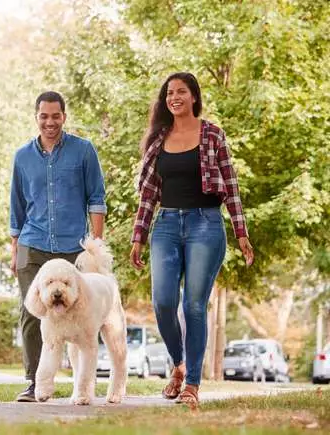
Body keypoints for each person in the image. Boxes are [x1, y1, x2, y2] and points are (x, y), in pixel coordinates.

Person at [130, 72, 254, 407]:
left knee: (194, 305)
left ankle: (193, 386)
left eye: (181, 91)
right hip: (167, 225)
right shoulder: (159, 138)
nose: (174, 97)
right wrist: (138, 236)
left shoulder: (213, 133)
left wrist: (241, 232)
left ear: (194, 97)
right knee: (163, 302)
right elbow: (148, 194)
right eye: (169, 93)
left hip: (205, 224)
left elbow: (230, 185)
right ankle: (179, 365)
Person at [9, 91, 107, 402]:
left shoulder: (83, 151)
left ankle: (83, 383)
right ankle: (34, 382)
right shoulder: (22, 157)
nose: (49, 122)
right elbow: (17, 207)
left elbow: (97, 199)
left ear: (64, 116)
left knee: (81, 311)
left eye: (55, 116)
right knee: (31, 312)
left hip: (72, 248)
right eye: (43, 116)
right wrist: (15, 252)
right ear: (36, 117)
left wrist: (95, 244)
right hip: (30, 244)